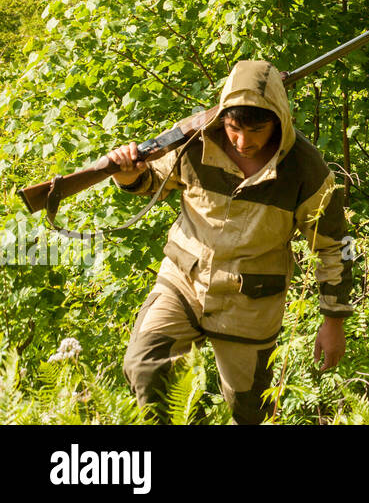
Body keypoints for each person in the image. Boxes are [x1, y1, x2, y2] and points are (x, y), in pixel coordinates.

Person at [107, 59, 354, 424]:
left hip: (250, 299)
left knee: (248, 411)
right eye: (234, 128)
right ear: (223, 117)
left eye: (256, 130)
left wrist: (333, 320)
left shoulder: (306, 168)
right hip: (184, 280)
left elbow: (334, 246)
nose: (243, 141)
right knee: (145, 366)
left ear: (279, 121)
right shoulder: (193, 140)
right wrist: (129, 175)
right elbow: (150, 183)